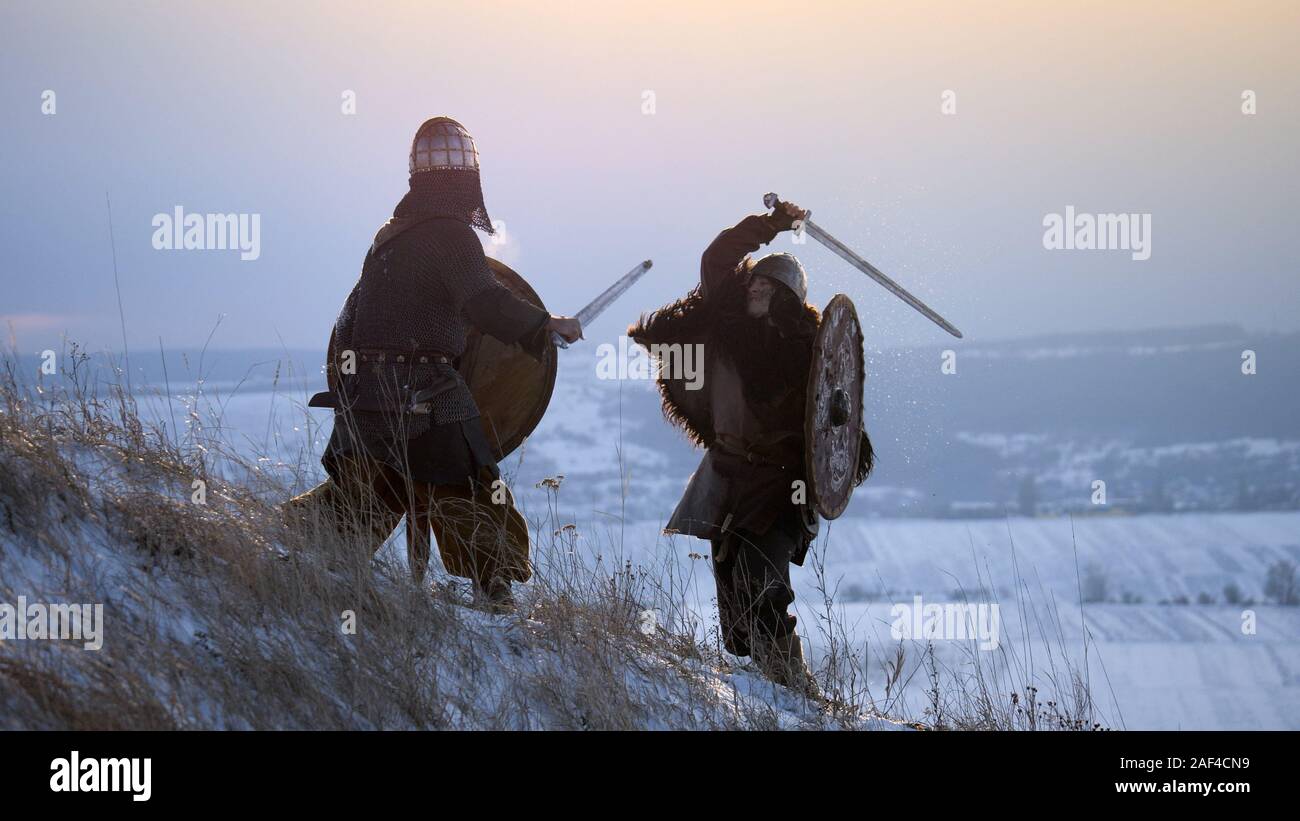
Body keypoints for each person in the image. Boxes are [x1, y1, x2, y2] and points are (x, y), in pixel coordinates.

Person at [289, 116, 581, 609]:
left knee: (371, 489)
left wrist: (350, 392)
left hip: (368, 396)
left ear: (416, 176)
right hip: (426, 391)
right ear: (468, 176)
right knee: (472, 485)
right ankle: (496, 594)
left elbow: (349, 322)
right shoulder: (451, 236)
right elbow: (484, 302)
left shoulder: (388, 236)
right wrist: (544, 324)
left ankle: (291, 545)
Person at [628, 201, 873, 694]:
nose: (756, 287)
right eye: (755, 282)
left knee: (762, 585)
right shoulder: (730, 325)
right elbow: (717, 259)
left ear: (788, 297)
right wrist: (770, 226)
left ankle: (797, 691)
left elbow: (841, 432)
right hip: (727, 478)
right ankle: (766, 693)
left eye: (768, 285)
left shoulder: (808, 352)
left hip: (783, 485)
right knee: (736, 608)